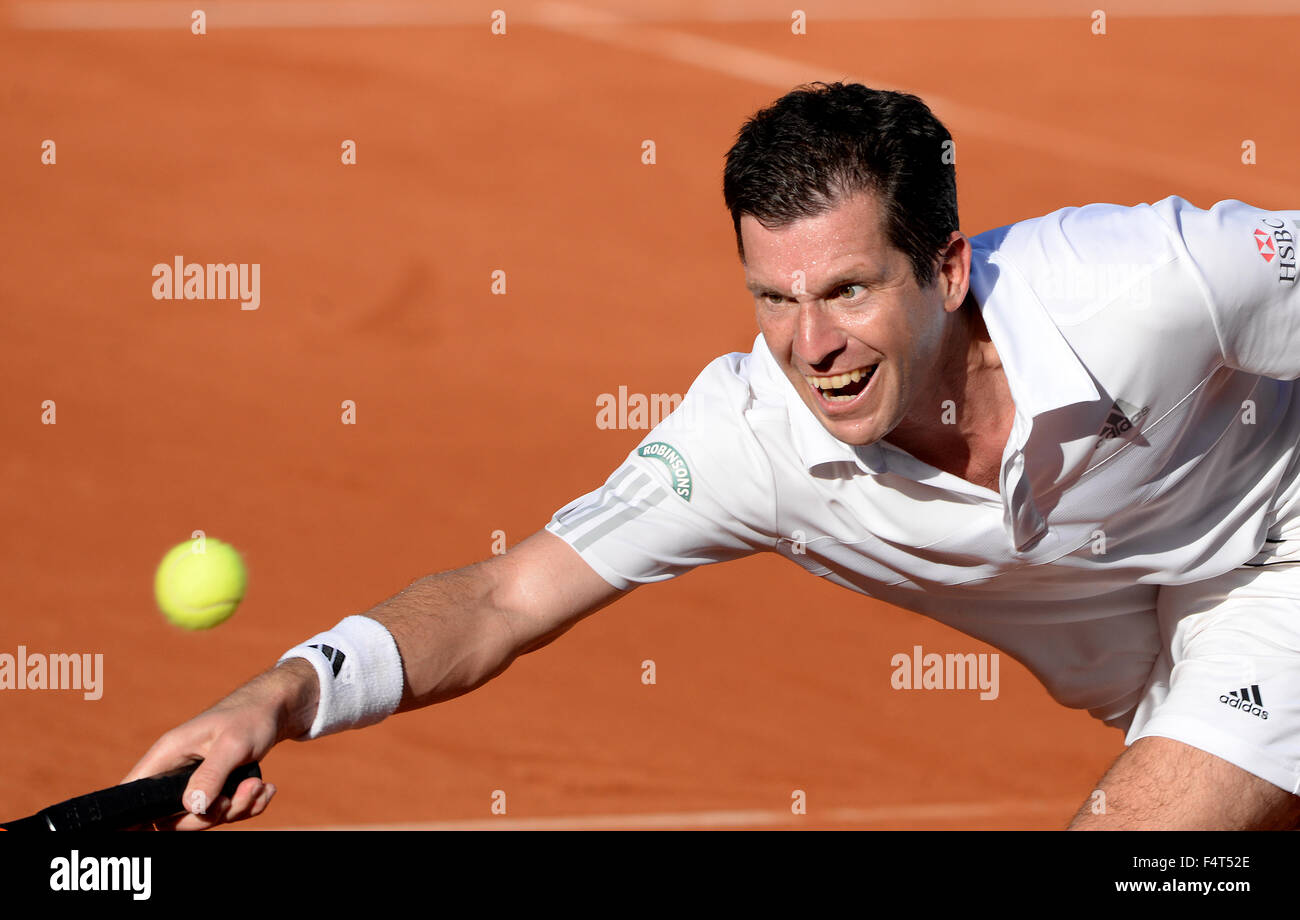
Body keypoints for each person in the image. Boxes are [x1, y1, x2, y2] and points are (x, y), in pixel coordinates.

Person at [126, 82, 1300, 830]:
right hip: (1164, 664)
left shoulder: (1149, 283)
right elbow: (499, 596)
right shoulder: (748, 442)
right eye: (773, 299)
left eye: (847, 289)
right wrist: (281, 691)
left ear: (944, 269)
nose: (812, 345)